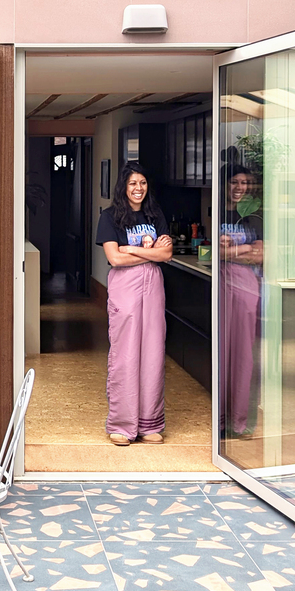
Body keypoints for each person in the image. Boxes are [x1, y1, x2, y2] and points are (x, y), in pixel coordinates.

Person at [96, 161, 173, 446]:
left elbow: (167, 255)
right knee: (125, 354)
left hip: (153, 285)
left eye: (142, 183)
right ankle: (122, 424)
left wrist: (132, 249)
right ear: (123, 187)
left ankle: (148, 423)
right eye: (132, 184)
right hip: (124, 287)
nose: (138, 188)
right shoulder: (110, 217)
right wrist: (148, 251)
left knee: (153, 352)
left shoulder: (155, 215)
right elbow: (115, 259)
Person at [218, 164, 264, 438]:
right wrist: (247, 249)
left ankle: (240, 420)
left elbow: (263, 254)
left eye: (245, 183)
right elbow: (211, 252)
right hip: (223, 285)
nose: (240, 187)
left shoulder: (255, 216)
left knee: (245, 353)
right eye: (234, 181)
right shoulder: (219, 211)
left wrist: (233, 249)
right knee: (223, 351)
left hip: (248, 287)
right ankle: (222, 419)